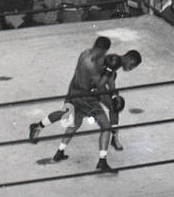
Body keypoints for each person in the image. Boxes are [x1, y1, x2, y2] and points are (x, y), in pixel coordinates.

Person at [28, 37, 120, 172]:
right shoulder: (91, 65)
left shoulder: (85, 53)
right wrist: (109, 76)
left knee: (72, 121)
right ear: (103, 50)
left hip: (74, 90)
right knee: (105, 126)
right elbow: (100, 86)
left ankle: (45, 134)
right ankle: (102, 161)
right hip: (86, 97)